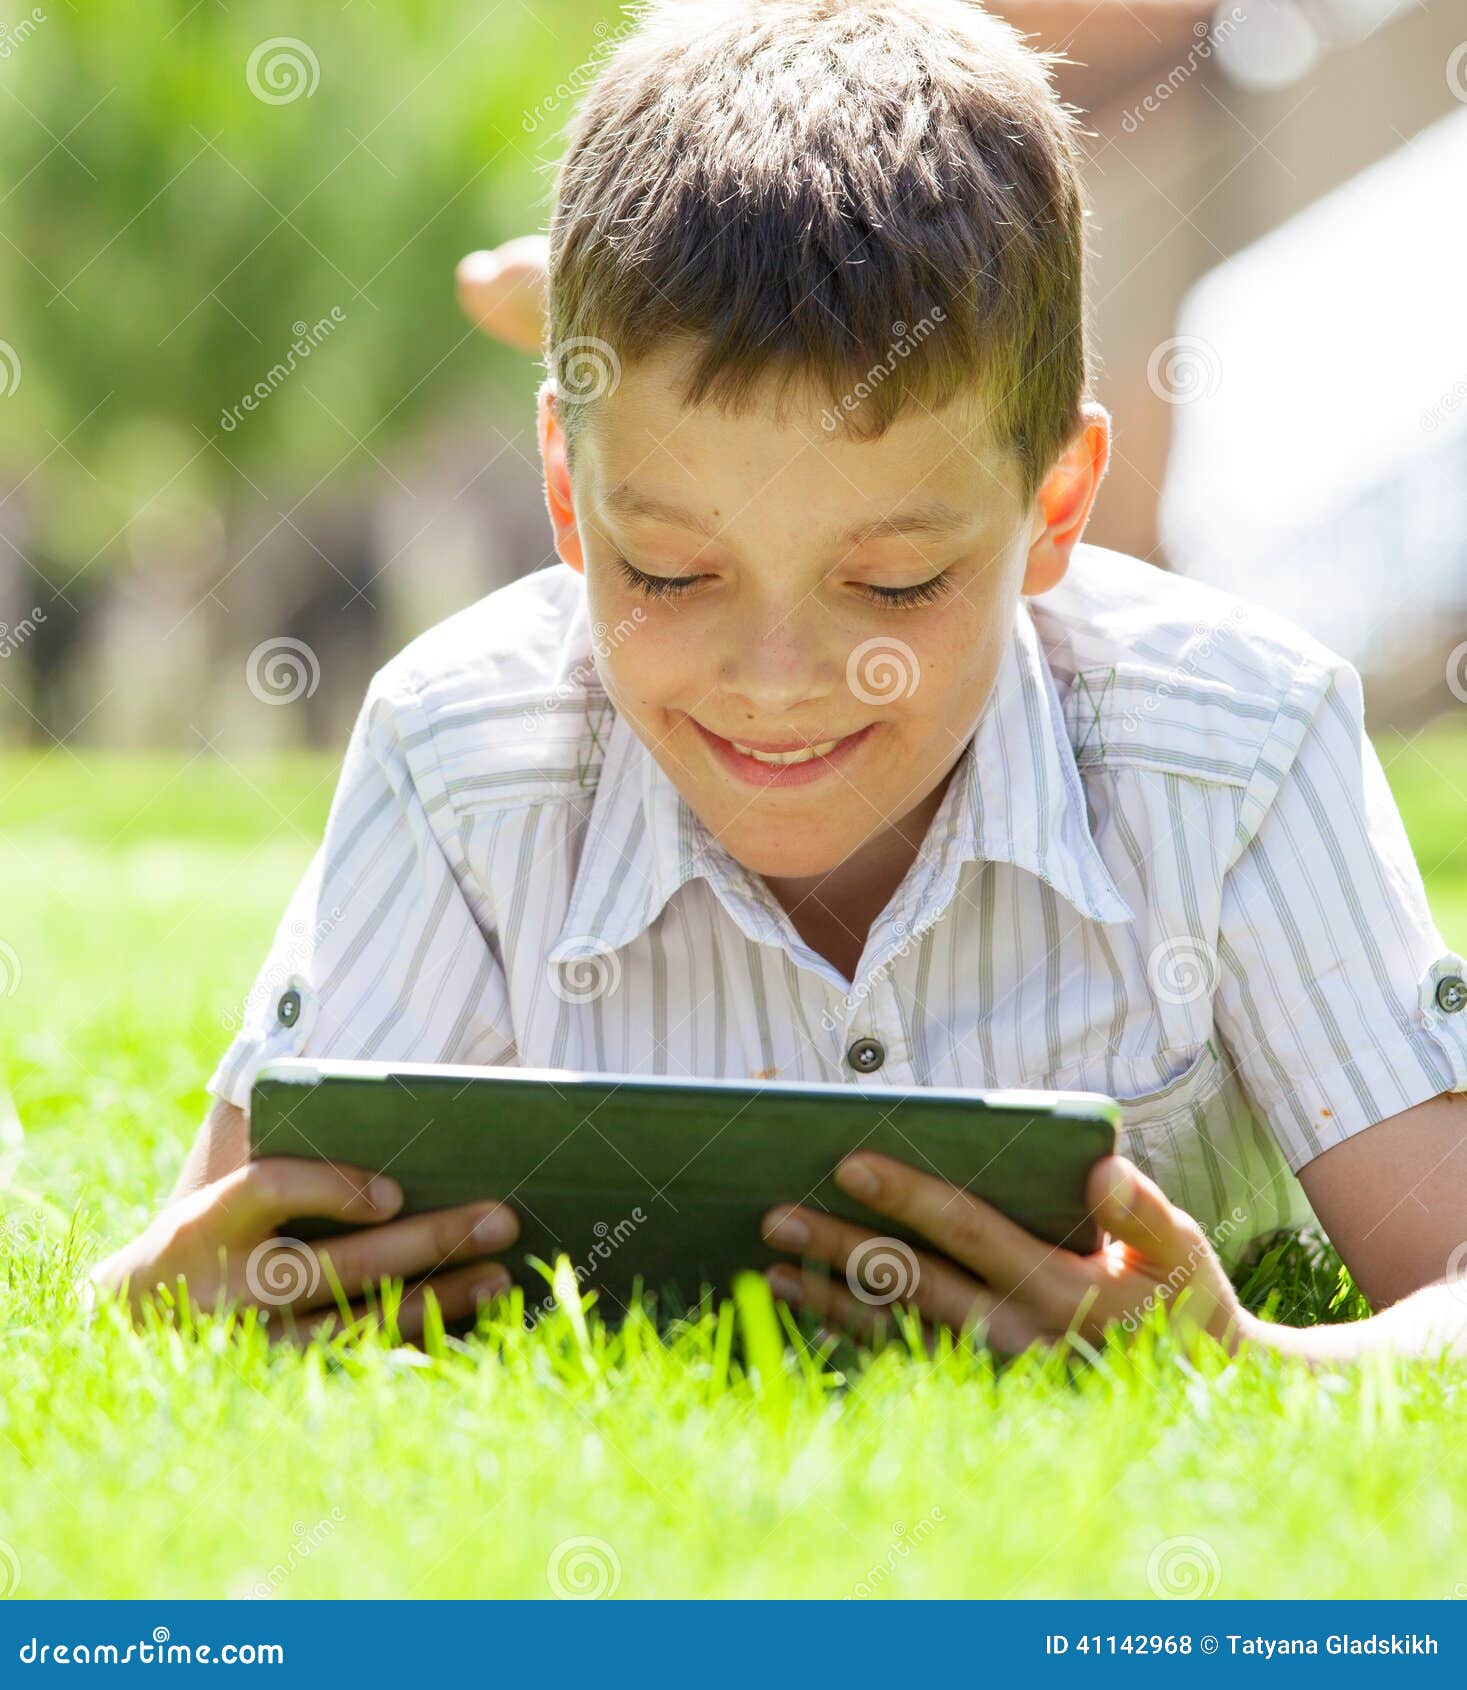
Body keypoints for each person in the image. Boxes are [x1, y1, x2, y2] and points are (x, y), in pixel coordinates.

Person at [95, 0, 1467, 1360]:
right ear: (568, 497)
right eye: (673, 575)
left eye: (893, 585)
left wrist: (1252, 1361)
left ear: (1056, 507)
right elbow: (210, 1253)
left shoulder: (1239, 751)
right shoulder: (463, 753)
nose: (778, 682)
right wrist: (159, 1311)